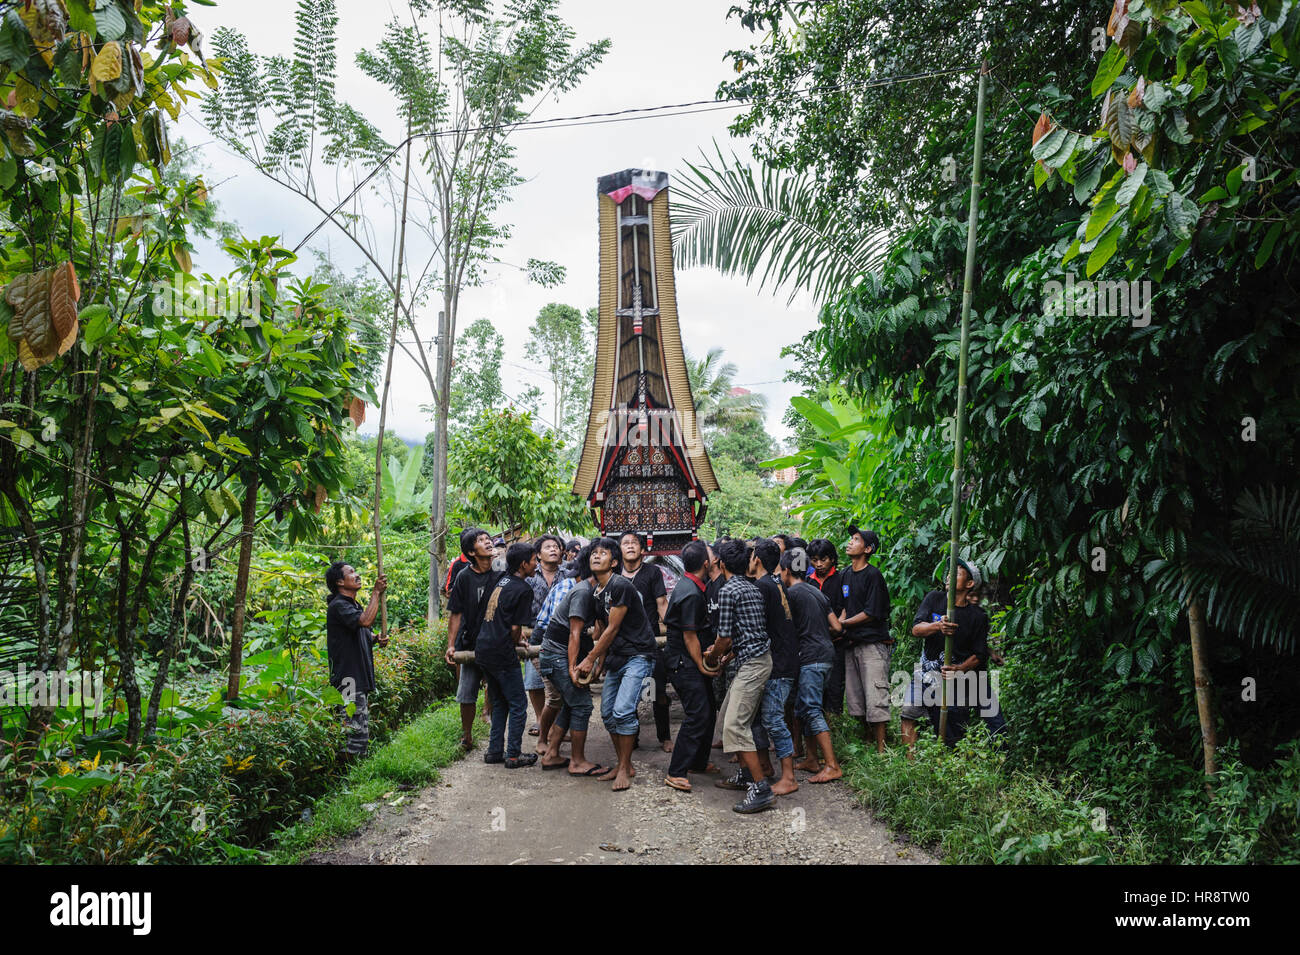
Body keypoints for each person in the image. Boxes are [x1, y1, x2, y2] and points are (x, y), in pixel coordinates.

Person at [578, 537, 657, 791]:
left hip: (637, 655)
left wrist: (590, 659)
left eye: (602, 554)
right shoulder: (595, 591)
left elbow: (612, 629)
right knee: (608, 713)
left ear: (613, 562)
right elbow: (600, 628)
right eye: (593, 553)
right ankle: (624, 764)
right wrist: (599, 665)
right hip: (616, 658)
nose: (596, 556)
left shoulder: (620, 585)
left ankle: (624, 767)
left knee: (623, 710)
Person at [709, 539, 776, 814]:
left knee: (735, 725)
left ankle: (761, 789)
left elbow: (724, 637)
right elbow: (747, 631)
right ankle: (748, 775)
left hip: (753, 664)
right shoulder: (752, 587)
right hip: (753, 658)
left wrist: (712, 657)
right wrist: (727, 653)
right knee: (727, 719)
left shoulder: (728, 591)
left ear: (721, 564)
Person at [902, 559, 993, 749]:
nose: (950, 574)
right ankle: (909, 766)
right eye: (950, 571)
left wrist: (959, 669)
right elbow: (916, 629)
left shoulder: (977, 616)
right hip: (925, 673)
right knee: (909, 713)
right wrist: (938, 626)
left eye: (958, 573)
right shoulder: (934, 598)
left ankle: (947, 765)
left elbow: (979, 654)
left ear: (969, 584)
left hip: (954, 681)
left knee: (952, 731)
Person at [536, 546, 608, 777]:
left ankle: (552, 754)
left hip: (560, 654)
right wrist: (571, 668)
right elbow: (574, 633)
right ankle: (577, 761)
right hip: (556, 655)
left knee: (571, 703)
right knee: (582, 705)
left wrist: (598, 662)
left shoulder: (597, 592)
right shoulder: (583, 592)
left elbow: (599, 631)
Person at [780, 549, 844, 782]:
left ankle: (832, 765)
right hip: (827, 654)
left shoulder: (792, 594)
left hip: (811, 658)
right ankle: (811, 758)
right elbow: (837, 627)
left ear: (786, 570)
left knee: (811, 709)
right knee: (803, 708)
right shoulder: (817, 592)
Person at [475, 543, 540, 768]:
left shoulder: (501, 580)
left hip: (483, 647)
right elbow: (514, 629)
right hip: (501, 651)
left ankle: (495, 751)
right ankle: (513, 754)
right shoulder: (524, 589)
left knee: (500, 701)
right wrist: (516, 641)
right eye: (534, 560)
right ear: (523, 564)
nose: (536, 564)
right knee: (518, 703)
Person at [662, 540, 718, 791]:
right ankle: (676, 771)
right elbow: (689, 636)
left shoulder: (694, 585)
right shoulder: (690, 592)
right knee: (698, 713)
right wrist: (702, 664)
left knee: (709, 710)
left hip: (689, 658)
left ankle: (698, 761)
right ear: (706, 564)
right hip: (683, 661)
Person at [325, 563, 388, 760]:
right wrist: (376, 593)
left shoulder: (352, 605)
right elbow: (364, 621)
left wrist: (375, 638)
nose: (357, 574)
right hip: (348, 679)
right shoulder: (339, 605)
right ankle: (348, 775)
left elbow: (363, 631)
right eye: (351, 572)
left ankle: (356, 772)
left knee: (359, 728)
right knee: (351, 731)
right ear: (340, 582)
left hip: (357, 676)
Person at [751, 538, 800, 796]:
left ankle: (789, 777)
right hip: (785, 658)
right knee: (761, 717)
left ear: (756, 560)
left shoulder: (761, 586)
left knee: (773, 719)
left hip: (777, 664)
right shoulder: (777, 581)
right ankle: (765, 766)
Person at [840, 526, 892, 753]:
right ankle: (867, 740)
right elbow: (843, 607)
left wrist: (843, 624)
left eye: (856, 539)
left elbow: (871, 612)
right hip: (851, 644)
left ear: (868, 548)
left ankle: (882, 749)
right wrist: (840, 622)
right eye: (851, 538)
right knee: (856, 699)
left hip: (872, 645)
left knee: (876, 697)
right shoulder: (845, 574)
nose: (850, 542)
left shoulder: (873, 575)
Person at [619, 530, 671, 752]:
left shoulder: (652, 572)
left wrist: (672, 629)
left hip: (649, 642)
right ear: (619, 549)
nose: (630, 546)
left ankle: (665, 737)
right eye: (625, 543)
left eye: (634, 543)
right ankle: (633, 737)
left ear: (642, 549)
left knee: (657, 691)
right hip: (622, 644)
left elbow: (661, 603)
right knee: (629, 696)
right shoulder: (614, 575)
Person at [445, 527, 497, 750]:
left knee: (496, 687)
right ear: (471, 552)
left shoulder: (501, 574)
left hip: (496, 643)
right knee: (467, 692)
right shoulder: (464, 577)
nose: (487, 542)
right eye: (480, 540)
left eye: (488, 538)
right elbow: (455, 613)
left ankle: (493, 723)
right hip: (470, 643)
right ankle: (466, 735)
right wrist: (451, 645)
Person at [525, 534, 564, 746]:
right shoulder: (530, 575)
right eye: (547, 547)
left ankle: (556, 724)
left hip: (559, 634)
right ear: (538, 554)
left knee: (559, 679)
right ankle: (541, 719)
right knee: (533, 680)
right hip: (534, 631)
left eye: (556, 547)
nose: (553, 550)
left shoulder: (567, 573)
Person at [807, 538, 846, 713]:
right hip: (813, 643)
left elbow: (846, 608)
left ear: (832, 559)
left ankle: (834, 726)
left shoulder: (841, 579)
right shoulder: (808, 582)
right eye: (815, 560)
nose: (819, 564)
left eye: (823, 559)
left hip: (837, 641)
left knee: (835, 687)